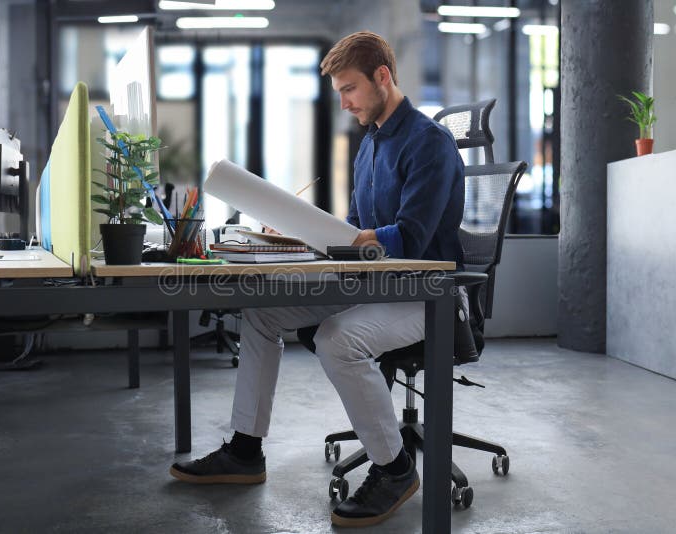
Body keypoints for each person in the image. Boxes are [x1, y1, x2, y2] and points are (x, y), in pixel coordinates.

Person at [169, 31, 465, 528]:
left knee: (336, 340)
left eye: (350, 89)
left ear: (383, 78)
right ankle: (245, 451)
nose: (345, 102)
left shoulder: (428, 143)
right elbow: (354, 230)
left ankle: (394, 469)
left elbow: (410, 239)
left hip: (424, 293)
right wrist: (304, 237)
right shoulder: (369, 145)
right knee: (261, 313)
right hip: (373, 286)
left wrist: (354, 238)